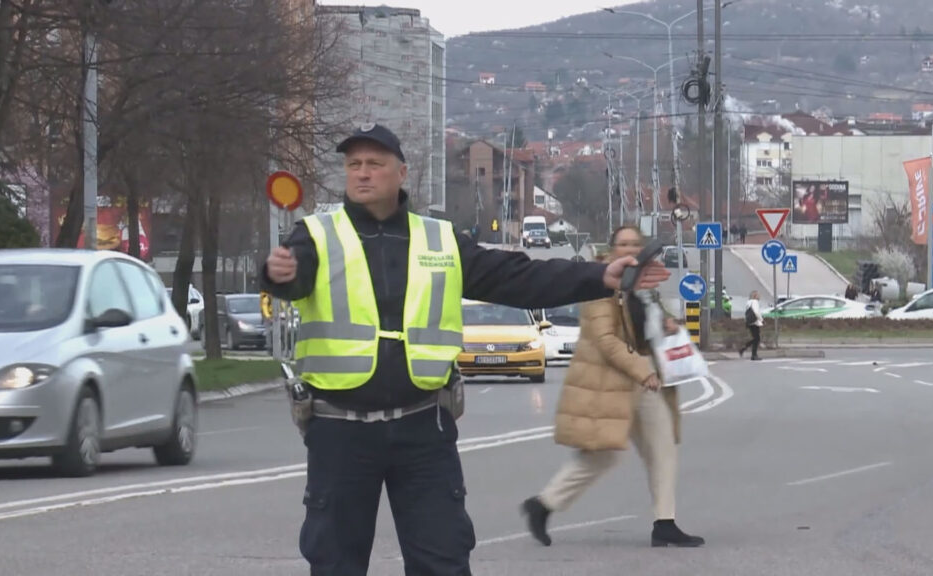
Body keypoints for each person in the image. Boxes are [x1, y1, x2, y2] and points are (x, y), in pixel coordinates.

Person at [261, 123, 672, 576]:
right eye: (353, 164)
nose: (362, 174)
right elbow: (291, 277)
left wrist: (599, 277)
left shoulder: (439, 239)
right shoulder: (316, 235)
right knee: (335, 563)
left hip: (423, 428)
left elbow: (515, 276)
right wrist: (277, 274)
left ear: (401, 173)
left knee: (444, 561)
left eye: (374, 164)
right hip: (340, 430)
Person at [521, 225, 704, 548]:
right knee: (602, 456)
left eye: (636, 243)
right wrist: (642, 371)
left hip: (644, 378)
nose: (630, 249)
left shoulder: (643, 285)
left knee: (662, 448)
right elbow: (606, 340)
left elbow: (642, 324)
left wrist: (665, 323)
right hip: (611, 381)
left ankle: (665, 522)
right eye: (623, 244)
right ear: (612, 248)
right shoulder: (600, 283)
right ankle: (543, 504)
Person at [740, 290, 763, 361]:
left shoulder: (748, 302)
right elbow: (756, 312)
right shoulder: (755, 302)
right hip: (755, 322)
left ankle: (744, 349)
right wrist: (761, 319)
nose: (759, 296)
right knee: (757, 339)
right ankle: (753, 355)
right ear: (755, 296)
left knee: (755, 338)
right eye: (758, 295)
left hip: (749, 322)